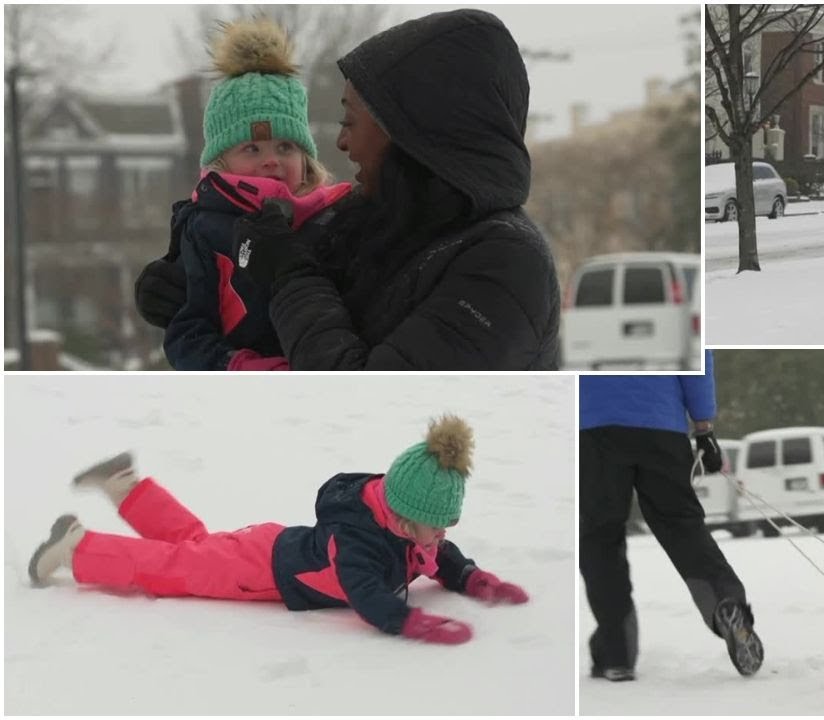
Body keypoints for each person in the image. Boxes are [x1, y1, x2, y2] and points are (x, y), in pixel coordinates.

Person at [135, 9, 560, 370]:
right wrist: (175, 287)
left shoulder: (503, 264)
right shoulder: (383, 219)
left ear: (414, 130)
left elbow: (363, 392)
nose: (341, 144)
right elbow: (237, 283)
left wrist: (289, 276)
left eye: (350, 121)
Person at [28, 416, 529, 643]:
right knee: (175, 568)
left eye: (449, 526)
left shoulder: (406, 527)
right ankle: (78, 550)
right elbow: (365, 594)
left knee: (195, 547)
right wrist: (411, 623)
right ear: (401, 520)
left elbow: (441, 558)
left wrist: (474, 579)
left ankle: (125, 486)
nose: (443, 537)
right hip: (262, 571)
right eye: (437, 528)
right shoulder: (357, 543)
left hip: (269, 546)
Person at [164, 17, 353, 371]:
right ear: (222, 160)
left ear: (305, 155)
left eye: (285, 147)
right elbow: (187, 331)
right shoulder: (206, 227)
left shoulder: (333, 216)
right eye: (252, 149)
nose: (272, 161)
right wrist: (237, 367)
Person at [578, 350, 763, 681]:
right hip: (662, 424)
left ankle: (616, 652)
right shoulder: (681, 296)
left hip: (593, 424)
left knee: (600, 538)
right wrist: (703, 424)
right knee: (682, 527)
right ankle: (726, 602)